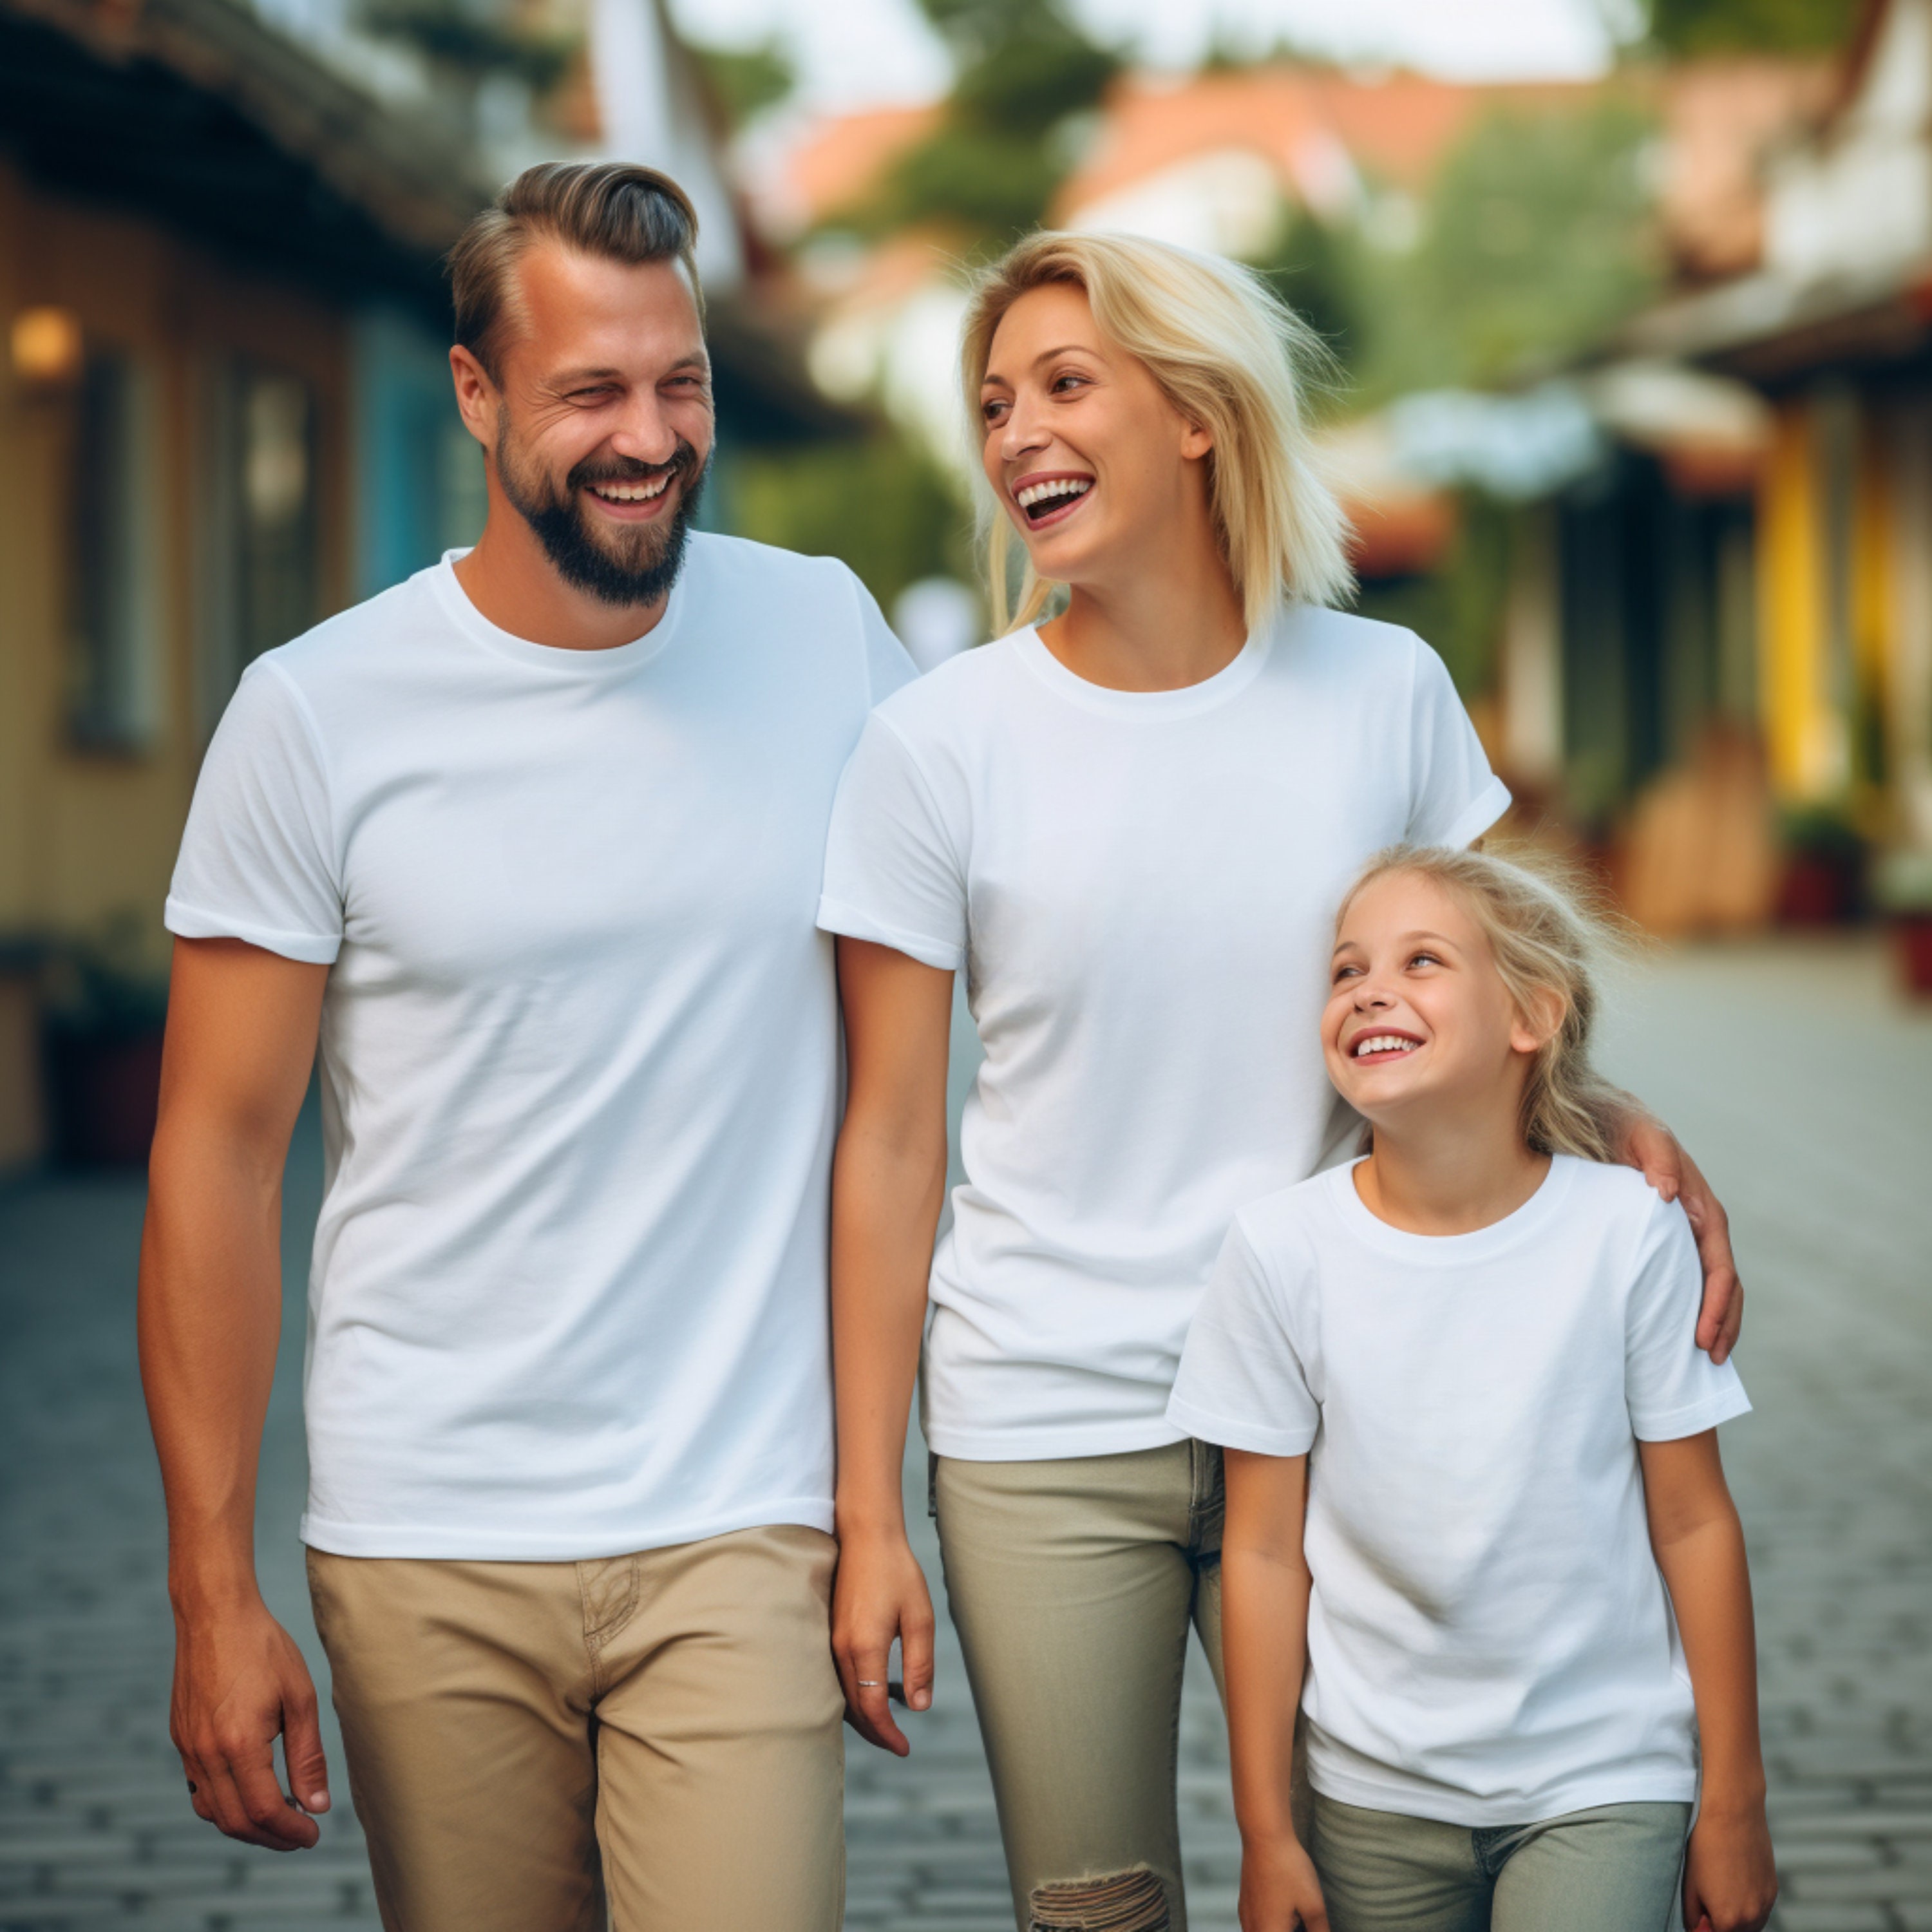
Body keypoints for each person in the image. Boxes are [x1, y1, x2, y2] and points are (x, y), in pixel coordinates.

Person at [819, 230, 1746, 1932]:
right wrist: (864, 1510)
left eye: (1067, 384)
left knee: (1342, 1889)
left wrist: (1626, 1133)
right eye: (994, 403)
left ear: (1195, 409)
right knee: (1096, 1911)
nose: (1018, 430)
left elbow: (1488, 996)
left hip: (1351, 1402)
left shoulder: (1379, 691)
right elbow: (885, 1142)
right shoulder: (937, 743)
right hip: (1047, 1417)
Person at [138, 160, 911, 1932]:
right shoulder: (317, 717)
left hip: (745, 1511)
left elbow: (1071, 903)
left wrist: (1550, 1096)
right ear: (479, 395)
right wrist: (208, 1591)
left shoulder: (830, 643)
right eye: (593, 393)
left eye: (682, 381)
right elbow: (215, 1159)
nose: (651, 437)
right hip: (430, 1531)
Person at [1170, 844, 1777, 1932]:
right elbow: (1260, 1552)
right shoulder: (1278, 1252)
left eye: (1422, 961)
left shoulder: (1628, 1234)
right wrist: (1268, 1834)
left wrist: (1734, 1803)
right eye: (1347, 970)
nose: (1369, 990)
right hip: (1372, 1798)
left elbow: (1694, 1522)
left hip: (1603, 1778)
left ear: (1530, 1016)